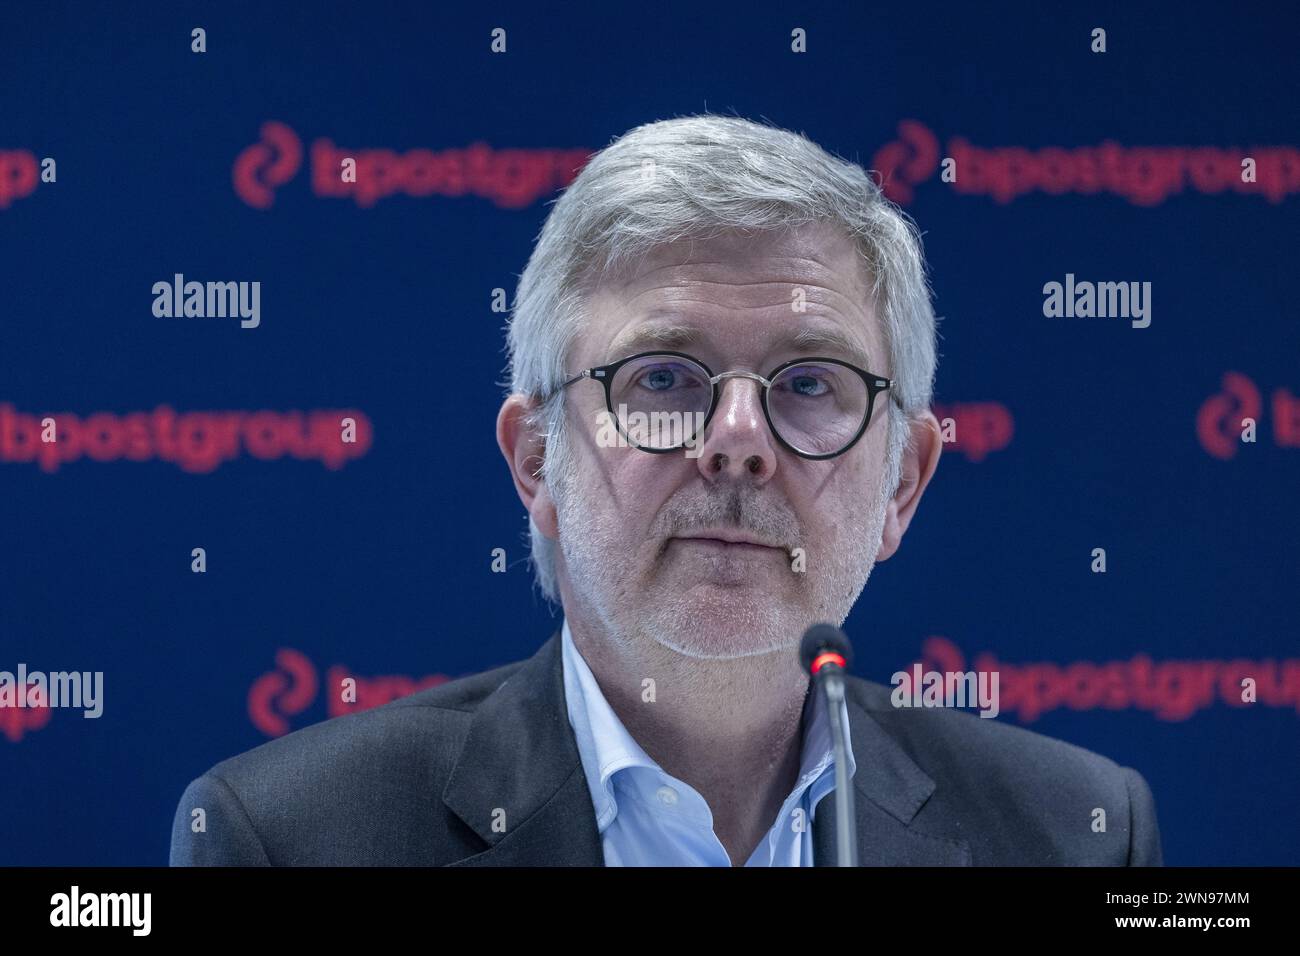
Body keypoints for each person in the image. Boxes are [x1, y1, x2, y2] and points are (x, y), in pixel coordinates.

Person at [170, 114, 1162, 866]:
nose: (737, 443)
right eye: (662, 378)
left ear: (902, 481)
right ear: (535, 461)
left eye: (809, 383)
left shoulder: (1077, 833)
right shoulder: (288, 841)